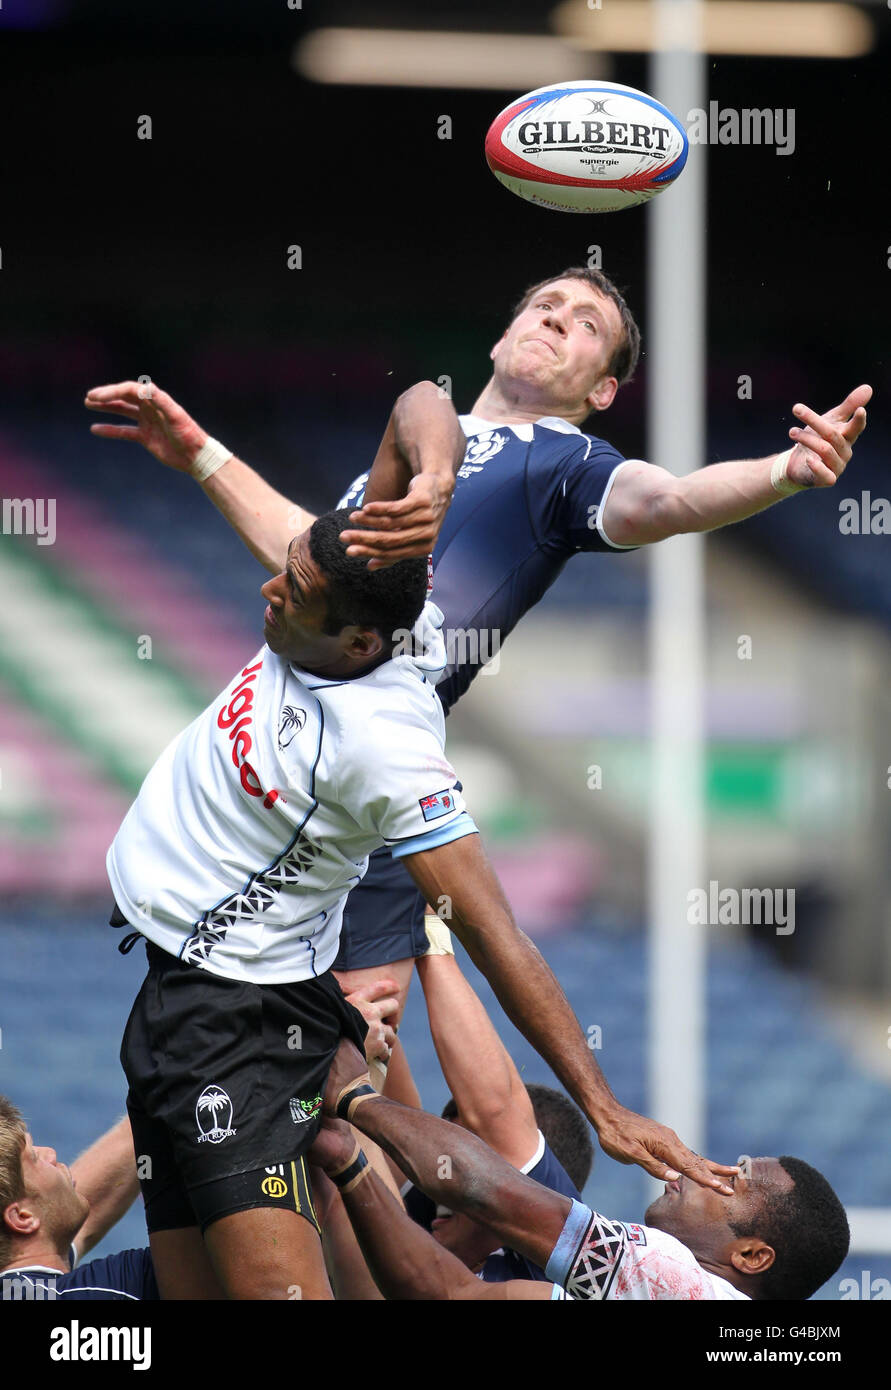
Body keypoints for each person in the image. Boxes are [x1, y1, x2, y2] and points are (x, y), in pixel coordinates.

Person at [84, 268, 872, 1045]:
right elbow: (308, 555)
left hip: (372, 781)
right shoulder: (417, 447)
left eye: (586, 325)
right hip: (297, 763)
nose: (558, 320)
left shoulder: (568, 467)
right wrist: (202, 457)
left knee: (337, 1046)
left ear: (601, 391)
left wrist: (782, 473)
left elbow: (669, 500)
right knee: (263, 1049)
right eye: (545, 306)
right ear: (502, 338)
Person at [104, 383, 735, 1302]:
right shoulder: (370, 601)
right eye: (288, 568)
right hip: (173, 998)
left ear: (360, 642)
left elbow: (492, 932)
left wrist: (601, 1106)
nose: (268, 592)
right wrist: (431, 478)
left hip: (236, 1021)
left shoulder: (389, 751)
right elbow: (418, 398)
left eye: (294, 592)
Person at [310, 1040, 851, 1301]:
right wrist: (348, 1162)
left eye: (734, 1182)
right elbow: (446, 1295)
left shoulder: (674, 1281)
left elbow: (491, 1192)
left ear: (752, 1255)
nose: (703, 1172)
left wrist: (358, 1101)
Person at [0, 1096, 167, 1301]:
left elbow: (67, 1213)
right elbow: (196, 1255)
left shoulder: (20, 1290)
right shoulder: (116, 1289)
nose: (51, 1154)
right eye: (34, 1157)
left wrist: (155, 1101)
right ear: (21, 1217)